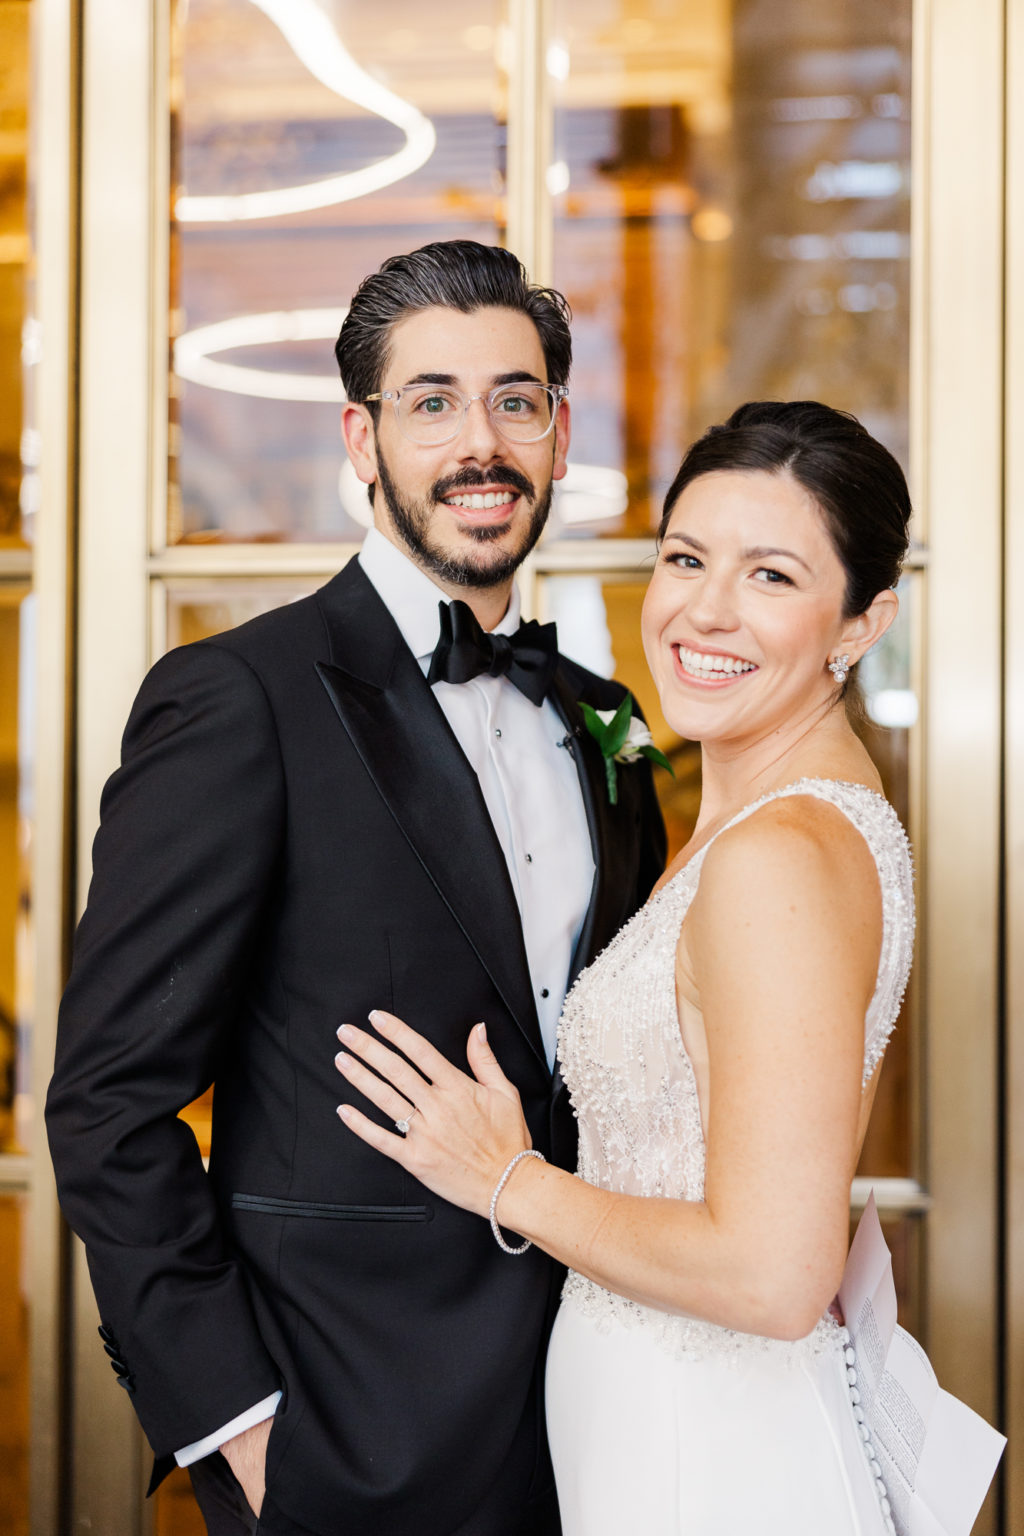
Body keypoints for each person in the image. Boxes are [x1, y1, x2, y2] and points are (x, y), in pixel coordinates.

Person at [45, 240, 667, 1536]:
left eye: (514, 398)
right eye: (431, 400)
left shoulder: (604, 720)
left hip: (610, 1426)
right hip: (353, 1443)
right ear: (361, 435)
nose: (478, 441)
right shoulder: (241, 702)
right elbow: (107, 1106)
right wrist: (245, 1432)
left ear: (558, 431)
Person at [332, 400, 915, 1535]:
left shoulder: (778, 859)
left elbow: (772, 1276)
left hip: (709, 1456)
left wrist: (508, 1181)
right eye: (687, 558)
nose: (704, 609)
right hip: (657, 1424)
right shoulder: (777, 818)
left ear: (860, 623)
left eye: (772, 577)